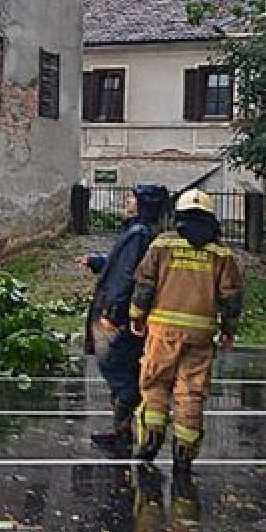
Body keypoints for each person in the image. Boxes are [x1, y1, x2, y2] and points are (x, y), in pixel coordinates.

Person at [128, 189, 243, 478]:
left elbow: (144, 285)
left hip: (162, 331)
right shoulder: (221, 253)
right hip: (201, 335)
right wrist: (229, 330)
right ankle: (184, 451)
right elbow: (231, 297)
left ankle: (151, 438)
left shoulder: (163, 244)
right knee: (191, 392)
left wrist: (136, 317)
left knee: (154, 384)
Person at [80, 184, 170, 454]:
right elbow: (123, 264)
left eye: (132, 198)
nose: (127, 201)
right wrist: (98, 261)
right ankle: (121, 429)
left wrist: (113, 314)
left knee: (113, 365)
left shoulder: (138, 233)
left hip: (116, 314)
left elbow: (127, 275)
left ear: (142, 204)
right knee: (121, 365)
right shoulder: (140, 232)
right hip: (125, 313)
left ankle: (128, 413)